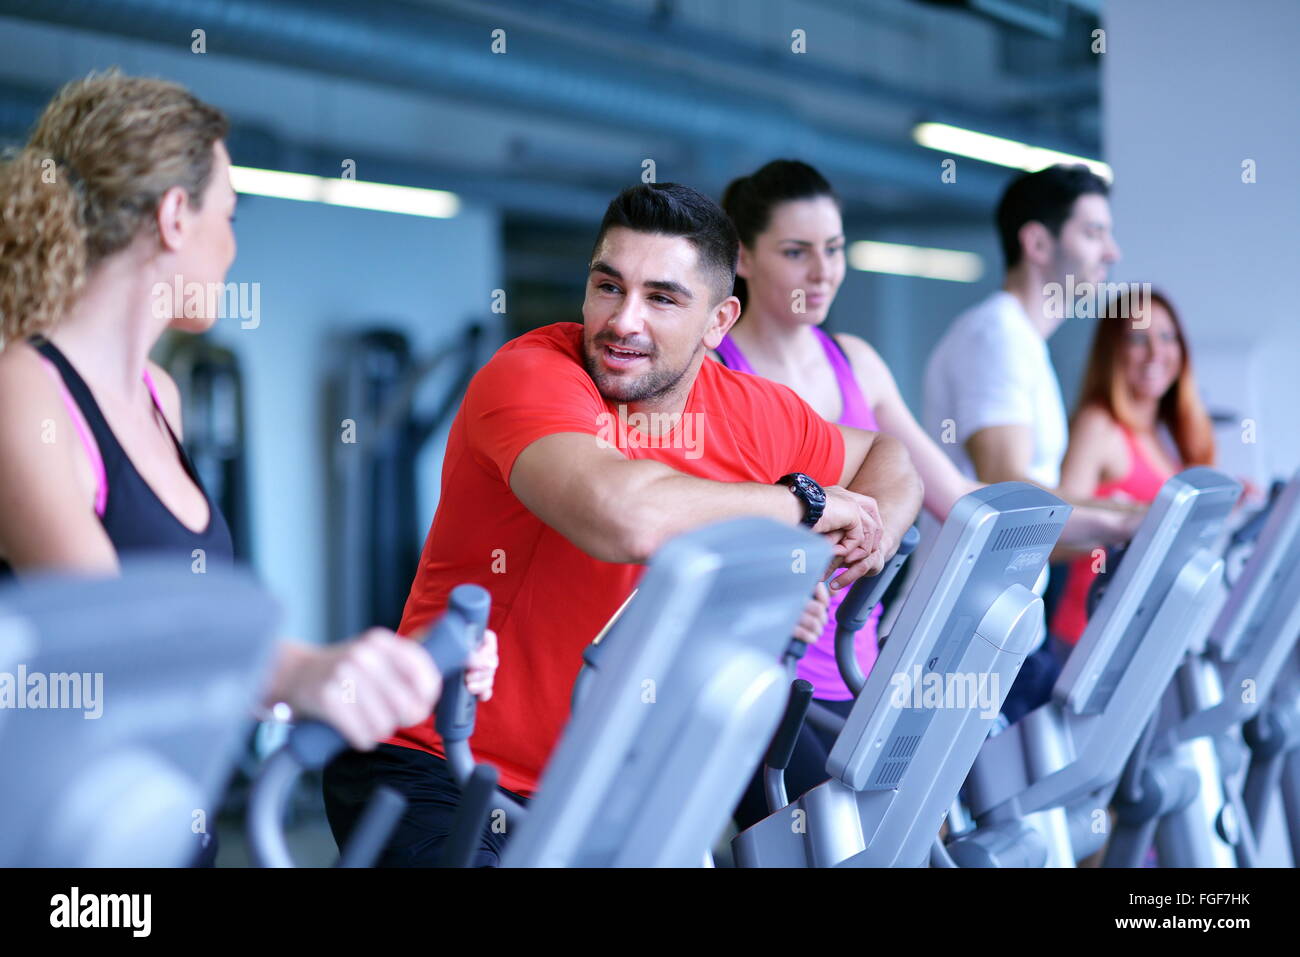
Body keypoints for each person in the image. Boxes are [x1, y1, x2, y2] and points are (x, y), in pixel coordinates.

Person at [322, 181, 924, 866]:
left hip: (605, 792)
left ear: (718, 322)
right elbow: (622, 512)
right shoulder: (530, 376)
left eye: (662, 298)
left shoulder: (754, 411)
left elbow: (887, 455)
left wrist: (827, 556)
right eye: (609, 286)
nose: (623, 320)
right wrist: (806, 506)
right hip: (439, 769)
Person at [0, 71, 496, 863]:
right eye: (227, 217)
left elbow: (193, 644)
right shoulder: (24, 386)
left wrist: (390, 671)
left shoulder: (159, 394)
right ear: (173, 217)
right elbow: (112, 633)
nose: (233, 247)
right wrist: (304, 669)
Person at [712, 160, 982, 827]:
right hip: (769, 682)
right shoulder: (714, 372)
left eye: (832, 249)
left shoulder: (854, 360)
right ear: (742, 257)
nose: (822, 270)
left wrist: (1110, 519)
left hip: (859, 675)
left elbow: (957, 498)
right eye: (796, 252)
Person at [923, 163, 1141, 722]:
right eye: (1093, 233)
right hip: (964, 636)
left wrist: (1133, 524)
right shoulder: (997, 336)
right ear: (1038, 242)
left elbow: (1041, 527)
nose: (1110, 252)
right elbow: (1011, 499)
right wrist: (1126, 516)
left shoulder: (1025, 343)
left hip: (1009, 627)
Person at [1050, 290, 1217, 648]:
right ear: (1114, 351)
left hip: (1137, 637)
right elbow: (1055, 539)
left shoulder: (1161, 436)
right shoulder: (1099, 425)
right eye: (1139, 338)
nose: (1156, 353)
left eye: (1167, 337)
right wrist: (1120, 523)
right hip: (1089, 637)